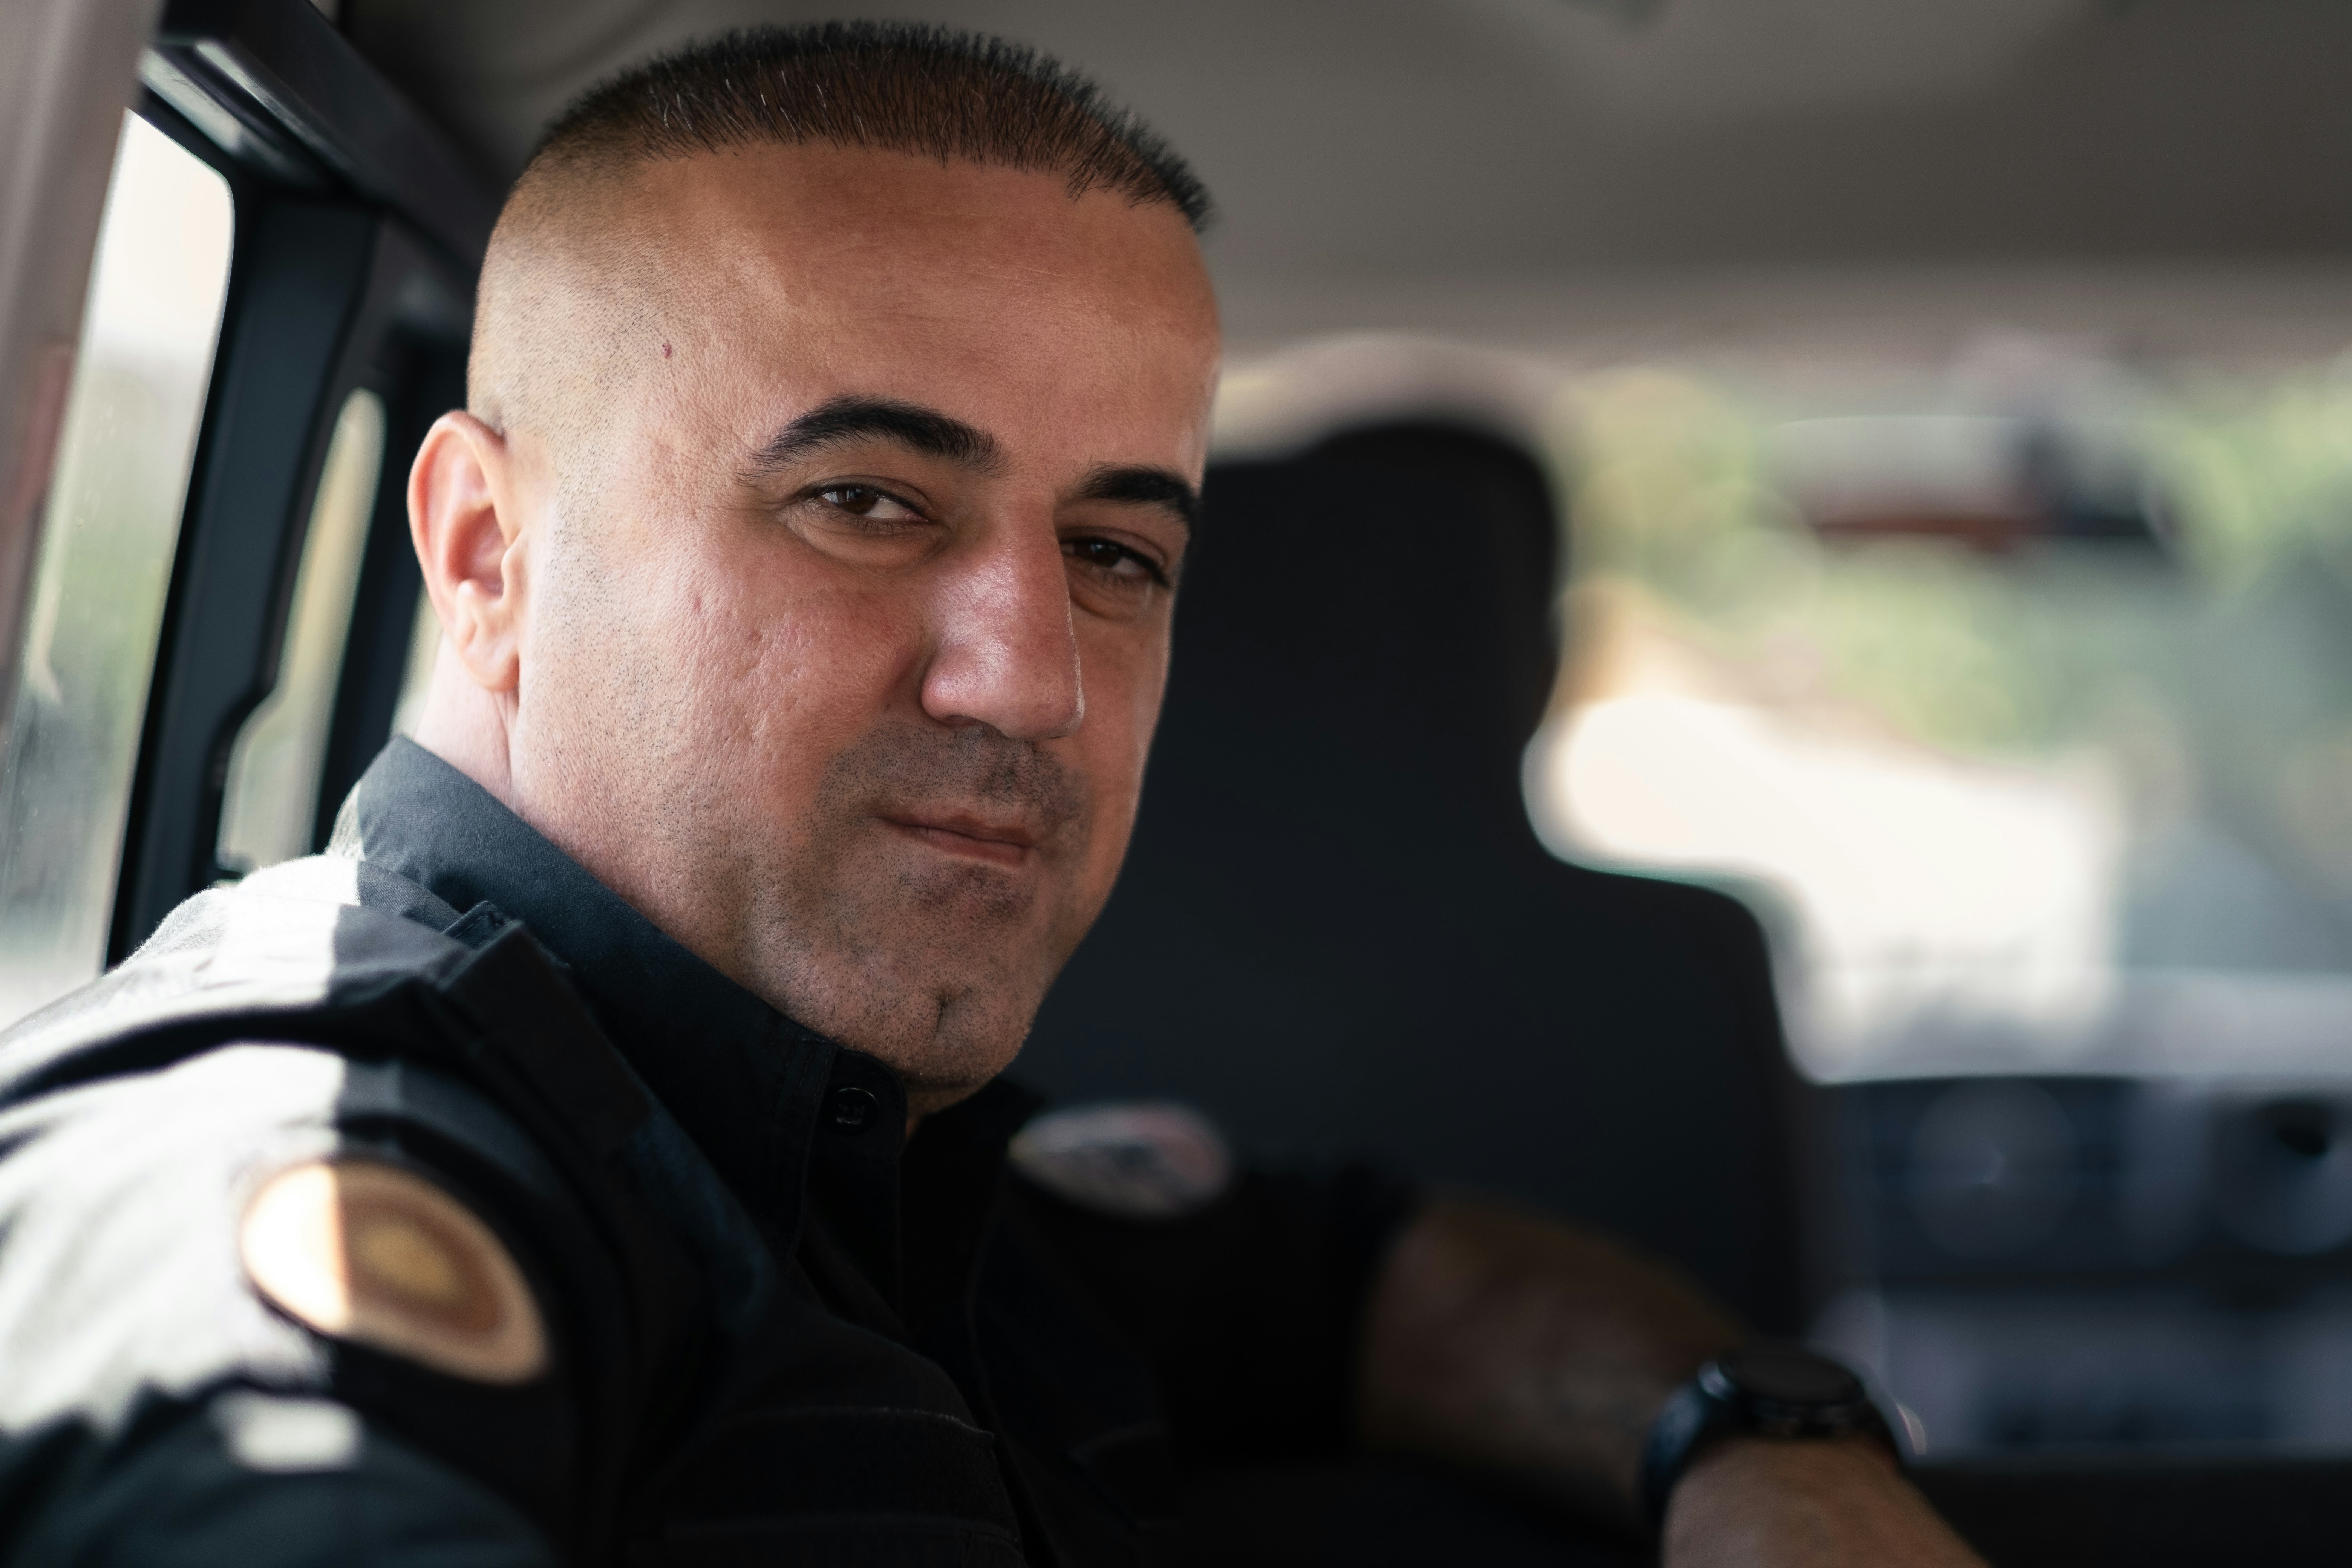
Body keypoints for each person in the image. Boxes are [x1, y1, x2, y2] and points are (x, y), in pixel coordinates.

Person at [0, 23, 1986, 1567]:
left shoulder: (884, 1174)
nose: (1034, 676)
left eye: (1117, 555)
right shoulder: (305, 1163)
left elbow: (1378, 1281)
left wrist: (1750, 1438)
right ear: (490, 555)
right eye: (864, 504)